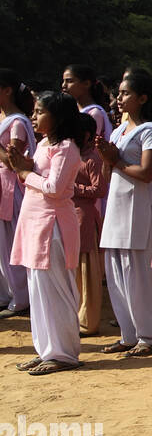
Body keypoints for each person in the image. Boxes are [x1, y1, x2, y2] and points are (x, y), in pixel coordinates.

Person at [8, 92, 85, 375]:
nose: (35, 116)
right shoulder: (43, 144)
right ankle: (46, 350)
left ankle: (63, 353)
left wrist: (26, 174)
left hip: (53, 224)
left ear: (58, 118)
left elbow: (54, 187)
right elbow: (36, 175)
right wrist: (24, 168)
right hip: (34, 221)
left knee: (57, 289)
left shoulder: (66, 148)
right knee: (38, 290)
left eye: (40, 112)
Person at [97, 71, 152, 357]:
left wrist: (116, 160)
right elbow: (106, 174)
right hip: (116, 205)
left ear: (142, 98)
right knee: (115, 270)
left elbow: (147, 173)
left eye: (125, 93)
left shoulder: (149, 130)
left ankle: (149, 335)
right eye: (119, 93)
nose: (119, 98)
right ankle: (128, 333)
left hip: (138, 206)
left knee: (138, 272)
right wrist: (106, 158)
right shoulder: (117, 130)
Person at [0, 69, 36, 319]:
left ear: (7, 90)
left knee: (13, 242)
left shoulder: (17, 122)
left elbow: (15, 161)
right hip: (1, 186)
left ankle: (21, 297)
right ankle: (6, 294)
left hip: (11, 189)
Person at [71, 113, 108, 336]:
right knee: (75, 273)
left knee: (87, 273)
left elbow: (100, 190)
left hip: (84, 218)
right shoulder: (74, 155)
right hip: (72, 218)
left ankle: (88, 321)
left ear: (85, 136)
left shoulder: (92, 158)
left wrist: (73, 188)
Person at [61, 65, 111, 141]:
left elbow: (85, 145)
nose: (63, 85)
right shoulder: (70, 109)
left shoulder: (94, 114)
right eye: (64, 81)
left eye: (69, 81)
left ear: (86, 84)